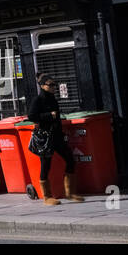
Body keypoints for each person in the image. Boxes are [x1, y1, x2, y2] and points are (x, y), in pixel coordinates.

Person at [26, 73, 83, 204]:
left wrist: (61, 133)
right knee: (45, 166)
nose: (53, 87)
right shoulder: (38, 100)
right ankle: (47, 197)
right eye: (50, 85)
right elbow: (32, 116)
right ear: (42, 86)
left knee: (70, 159)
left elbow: (56, 118)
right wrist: (48, 115)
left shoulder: (53, 99)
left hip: (57, 136)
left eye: (54, 85)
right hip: (45, 138)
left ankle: (70, 193)